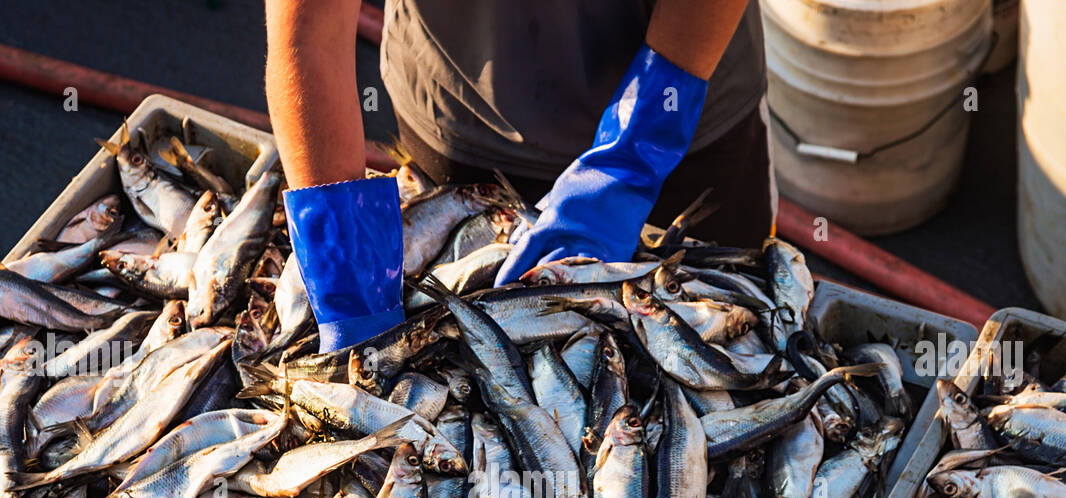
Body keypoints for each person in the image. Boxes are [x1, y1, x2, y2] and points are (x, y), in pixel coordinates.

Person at [265, 0, 773, 351]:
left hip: (682, 118)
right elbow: (310, 32)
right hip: (461, 126)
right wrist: (344, 266)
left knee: (739, 323)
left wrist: (635, 152)